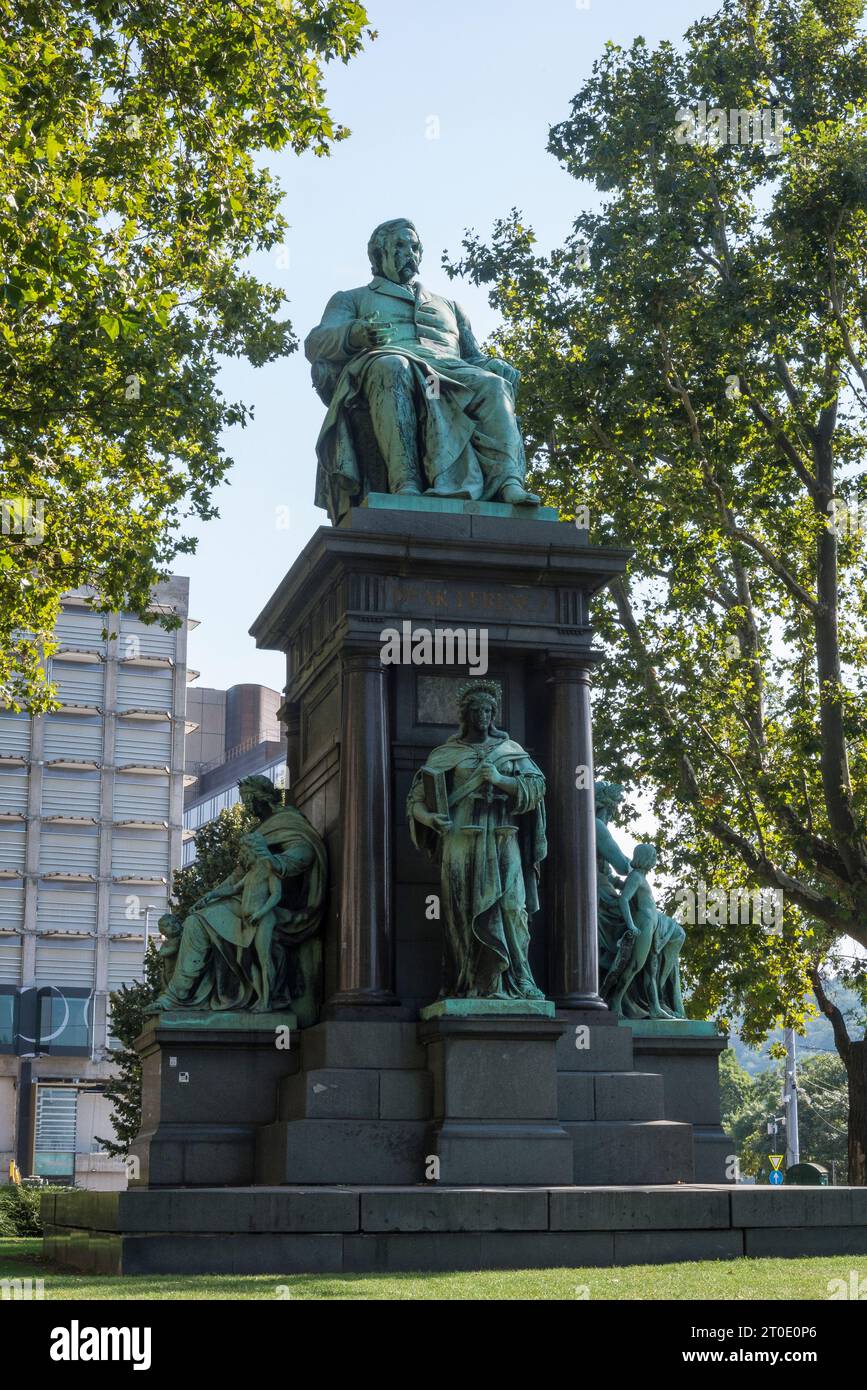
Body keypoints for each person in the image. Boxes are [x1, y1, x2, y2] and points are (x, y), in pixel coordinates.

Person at [305, 217, 541, 523]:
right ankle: (406, 485)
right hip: (389, 363)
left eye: (414, 247)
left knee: (494, 385)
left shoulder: (450, 306)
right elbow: (316, 343)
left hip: (451, 371)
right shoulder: (351, 299)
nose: (410, 254)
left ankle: (509, 483)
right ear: (379, 255)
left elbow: (473, 357)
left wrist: (493, 365)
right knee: (393, 366)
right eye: (400, 246)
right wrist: (355, 333)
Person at [407, 680, 547, 1001]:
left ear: (494, 714)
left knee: (512, 905)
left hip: (502, 836)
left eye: (488, 710)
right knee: (462, 909)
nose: (483, 715)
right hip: (461, 840)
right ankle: (471, 980)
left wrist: (500, 780)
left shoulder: (510, 752)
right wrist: (430, 819)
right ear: (466, 715)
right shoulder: (446, 754)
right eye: (477, 710)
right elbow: (416, 798)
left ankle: (518, 978)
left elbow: (537, 787)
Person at [148, 776, 326, 1016]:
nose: (247, 806)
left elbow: (303, 855)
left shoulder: (287, 823)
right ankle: (178, 995)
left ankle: (180, 996)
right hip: (248, 904)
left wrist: (271, 861)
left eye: (248, 800)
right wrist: (210, 896)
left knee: (198, 924)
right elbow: (237, 879)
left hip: (277, 909)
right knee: (196, 919)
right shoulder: (260, 830)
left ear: (259, 798)